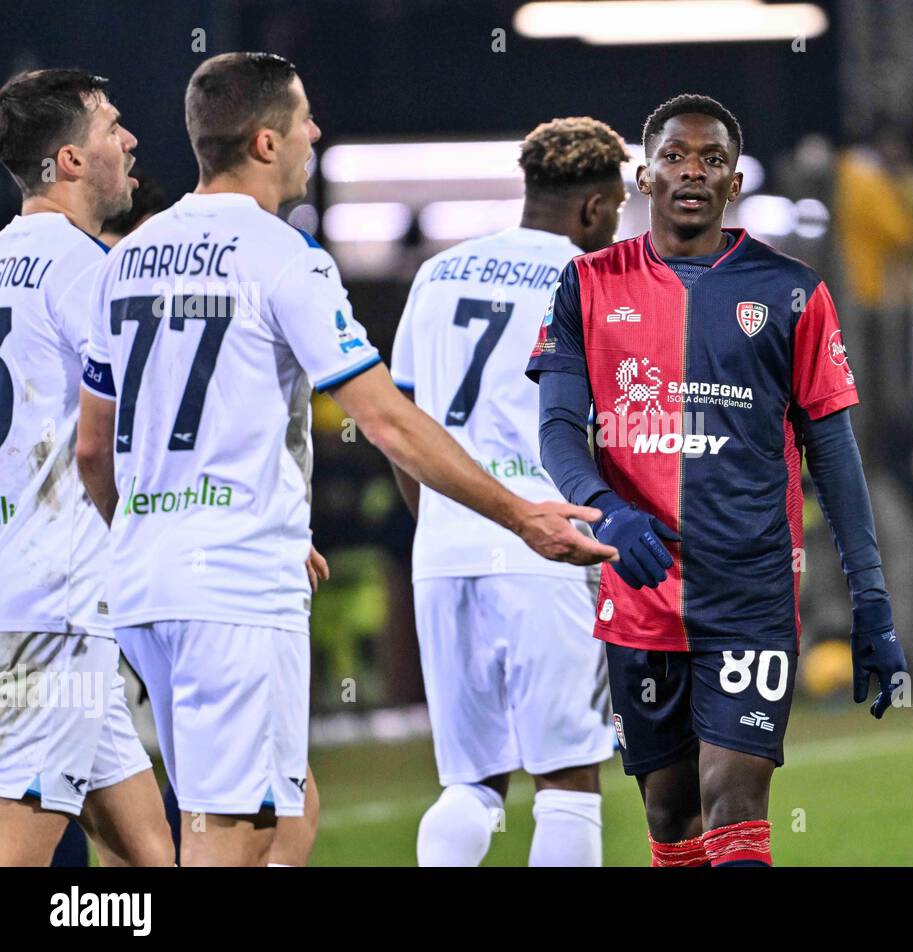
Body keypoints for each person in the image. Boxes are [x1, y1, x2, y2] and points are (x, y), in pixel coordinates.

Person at [76, 52, 614, 867]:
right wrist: (524, 514)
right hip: (234, 585)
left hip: (147, 580)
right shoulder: (286, 258)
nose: (315, 135)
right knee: (236, 830)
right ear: (265, 142)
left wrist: (164, 534)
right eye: (303, 122)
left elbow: (93, 449)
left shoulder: (128, 259)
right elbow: (389, 422)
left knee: (279, 813)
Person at [527, 94, 907, 867]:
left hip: (752, 594)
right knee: (671, 817)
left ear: (735, 184)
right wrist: (605, 509)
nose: (691, 173)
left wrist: (871, 601)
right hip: (639, 594)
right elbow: (559, 431)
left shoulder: (791, 292)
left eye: (711, 161)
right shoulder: (587, 285)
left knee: (733, 800)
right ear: (643, 176)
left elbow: (834, 455)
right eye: (674, 157)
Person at [390, 116, 628, 867]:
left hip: (445, 549)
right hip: (547, 546)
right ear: (594, 207)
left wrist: (435, 525)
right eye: (618, 206)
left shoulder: (438, 273)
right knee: (566, 781)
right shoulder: (595, 283)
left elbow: (398, 421)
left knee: (470, 782)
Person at [0, 68, 172, 866]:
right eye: (111, 126)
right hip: (53, 609)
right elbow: (127, 437)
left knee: (150, 856)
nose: (130, 140)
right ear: (69, 160)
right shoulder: (89, 272)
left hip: (30, 597)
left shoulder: (6, 258)